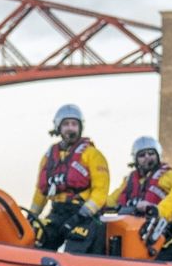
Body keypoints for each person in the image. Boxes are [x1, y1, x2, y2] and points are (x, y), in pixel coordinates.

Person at [29, 104, 111, 254]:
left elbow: (101, 190)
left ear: (80, 128)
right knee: (38, 245)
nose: (70, 128)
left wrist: (83, 213)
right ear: (58, 127)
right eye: (66, 124)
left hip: (83, 215)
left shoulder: (92, 154)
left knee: (74, 251)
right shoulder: (49, 157)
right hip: (57, 212)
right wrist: (32, 216)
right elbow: (41, 191)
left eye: (74, 124)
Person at [110, 136, 172, 254]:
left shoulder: (169, 176)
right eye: (142, 155)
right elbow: (112, 199)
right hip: (129, 228)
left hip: (158, 230)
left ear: (158, 156)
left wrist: (154, 208)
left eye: (151, 154)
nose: (147, 157)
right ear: (135, 159)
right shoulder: (129, 180)